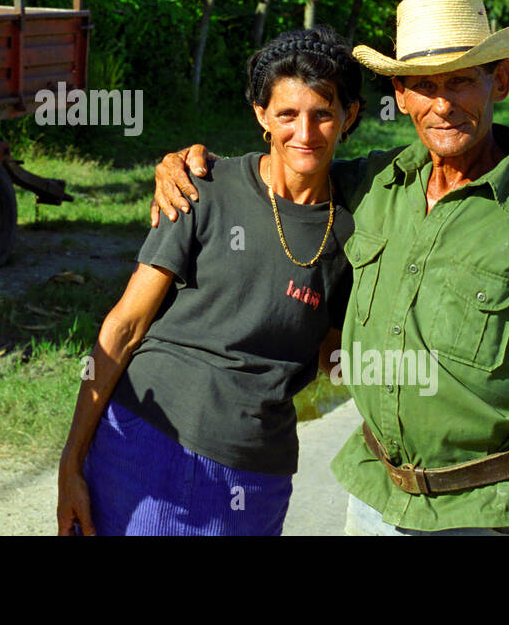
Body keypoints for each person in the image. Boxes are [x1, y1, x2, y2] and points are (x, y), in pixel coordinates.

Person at [152, 0, 509, 535]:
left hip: (487, 514)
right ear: (401, 93)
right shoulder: (373, 186)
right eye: (423, 85)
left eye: (462, 79)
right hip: (377, 500)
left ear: (501, 80)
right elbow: (286, 170)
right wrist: (189, 165)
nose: (442, 105)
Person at [57, 27, 361, 535]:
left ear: (348, 116)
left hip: (256, 474)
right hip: (145, 445)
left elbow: (332, 356)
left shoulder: (356, 226)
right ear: (262, 116)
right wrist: (71, 462)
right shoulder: (201, 188)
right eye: (286, 114)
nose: (304, 133)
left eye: (323, 114)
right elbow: (124, 325)